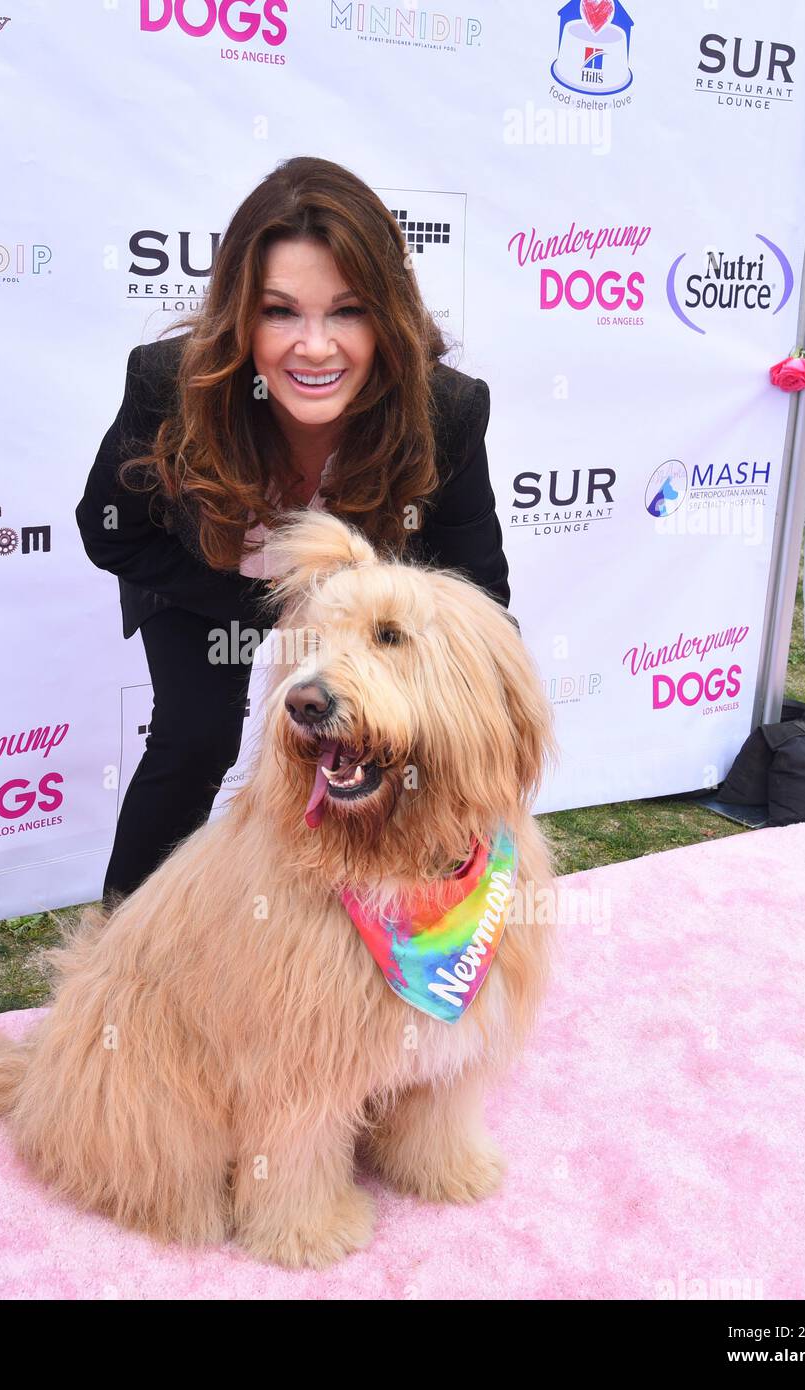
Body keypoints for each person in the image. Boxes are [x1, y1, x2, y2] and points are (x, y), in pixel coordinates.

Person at [76, 156, 512, 903]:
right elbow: (111, 531)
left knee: (394, 736)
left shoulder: (447, 409)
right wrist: (270, 606)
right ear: (240, 315)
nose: (314, 346)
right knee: (195, 738)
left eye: (347, 311)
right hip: (206, 579)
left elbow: (479, 592)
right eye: (280, 312)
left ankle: (372, 915)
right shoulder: (167, 385)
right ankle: (120, 946)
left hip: (360, 604)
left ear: (389, 314)